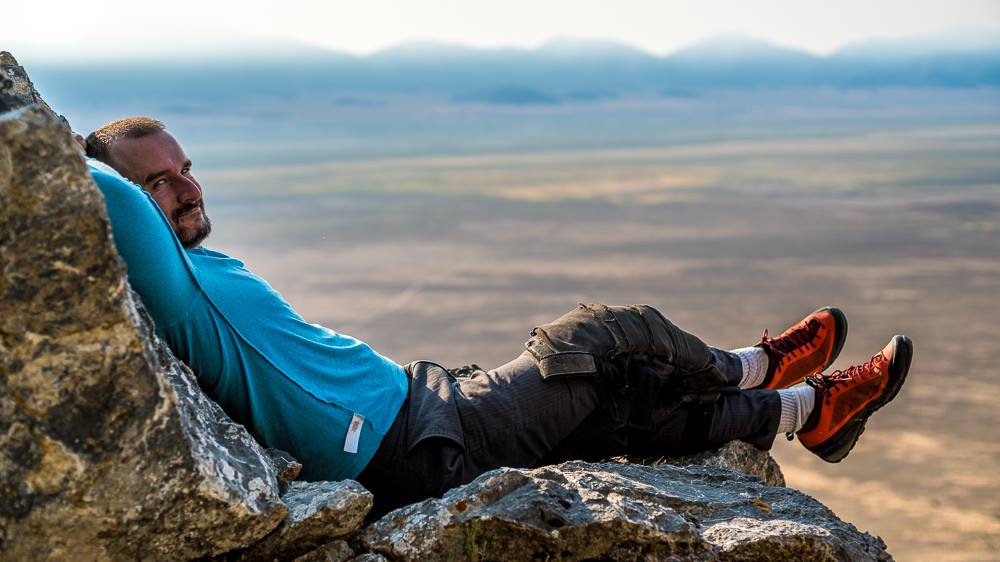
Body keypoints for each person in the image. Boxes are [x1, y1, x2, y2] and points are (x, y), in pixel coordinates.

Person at [83, 117, 913, 512]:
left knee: (619, 406)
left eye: (187, 168)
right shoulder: (167, 279)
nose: (188, 189)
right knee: (596, 335)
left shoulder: (197, 262)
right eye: (160, 182)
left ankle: (808, 412)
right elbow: (102, 188)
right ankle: (758, 367)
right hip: (415, 445)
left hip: (425, 405)